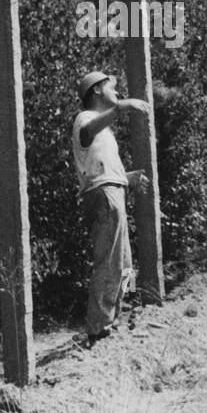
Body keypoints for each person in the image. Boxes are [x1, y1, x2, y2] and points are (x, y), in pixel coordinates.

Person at [72, 71, 148, 346]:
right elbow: (86, 134)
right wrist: (121, 107)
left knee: (122, 261)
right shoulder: (86, 119)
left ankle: (110, 320)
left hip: (111, 191)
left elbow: (100, 168)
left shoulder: (103, 129)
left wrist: (128, 178)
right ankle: (99, 327)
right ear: (96, 92)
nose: (116, 92)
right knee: (109, 260)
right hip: (103, 195)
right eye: (110, 88)